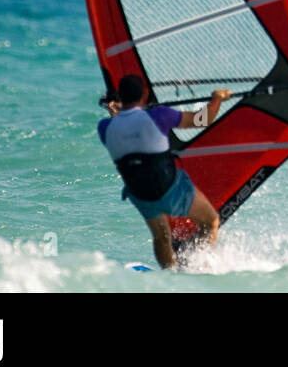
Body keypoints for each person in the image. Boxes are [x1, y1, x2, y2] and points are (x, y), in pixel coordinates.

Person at [98, 74, 231, 269]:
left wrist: (117, 114)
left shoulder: (105, 127)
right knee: (211, 221)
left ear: (119, 98)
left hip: (140, 194)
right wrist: (217, 98)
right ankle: (202, 267)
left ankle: (171, 278)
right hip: (169, 188)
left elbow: (128, 135)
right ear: (145, 93)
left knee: (162, 237)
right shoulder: (159, 115)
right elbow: (203, 119)